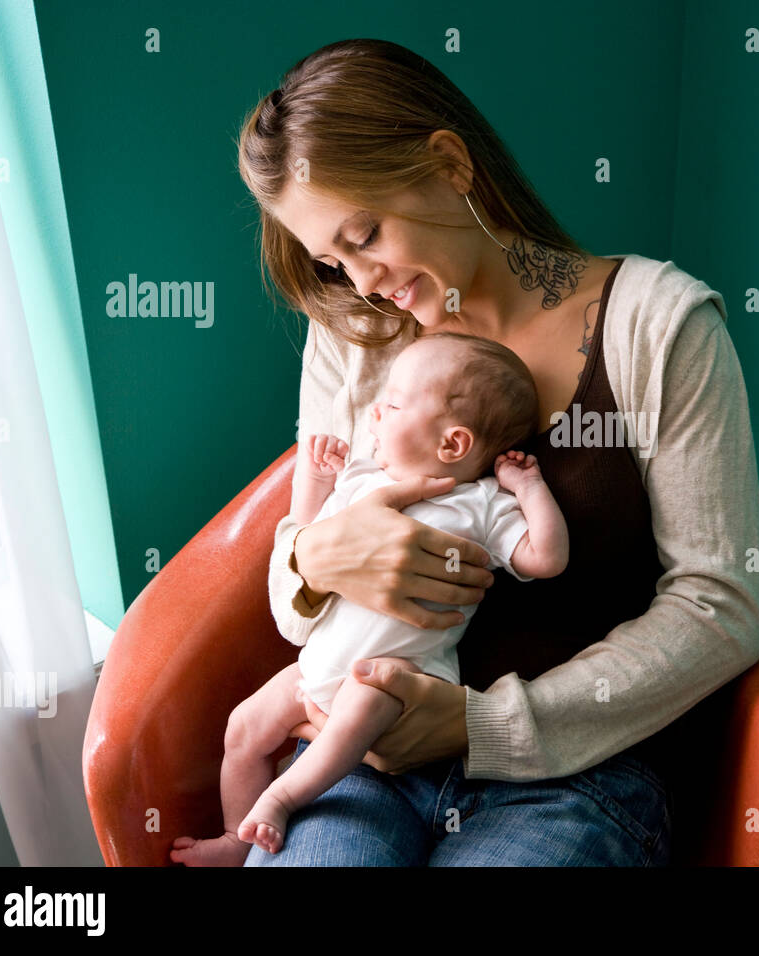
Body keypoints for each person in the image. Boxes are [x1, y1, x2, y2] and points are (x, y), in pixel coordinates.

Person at [237, 38, 759, 866]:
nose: (364, 283)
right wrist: (318, 555)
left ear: (449, 162)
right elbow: (287, 589)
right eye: (333, 261)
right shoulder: (352, 336)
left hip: (572, 774)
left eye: (366, 233)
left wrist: (486, 727)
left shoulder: (659, 328)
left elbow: (719, 608)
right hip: (360, 753)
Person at [169, 334, 567, 865]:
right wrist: (314, 478)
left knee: (358, 708)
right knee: (244, 724)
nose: (376, 411)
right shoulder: (361, 479)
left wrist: (529, 487)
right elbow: (308, 539)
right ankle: (235, 838)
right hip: (315, 667)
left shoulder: (482, 505)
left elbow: (545, 558)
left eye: (395, 404)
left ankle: (283, 797)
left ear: (453, 444)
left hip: (397, 680)